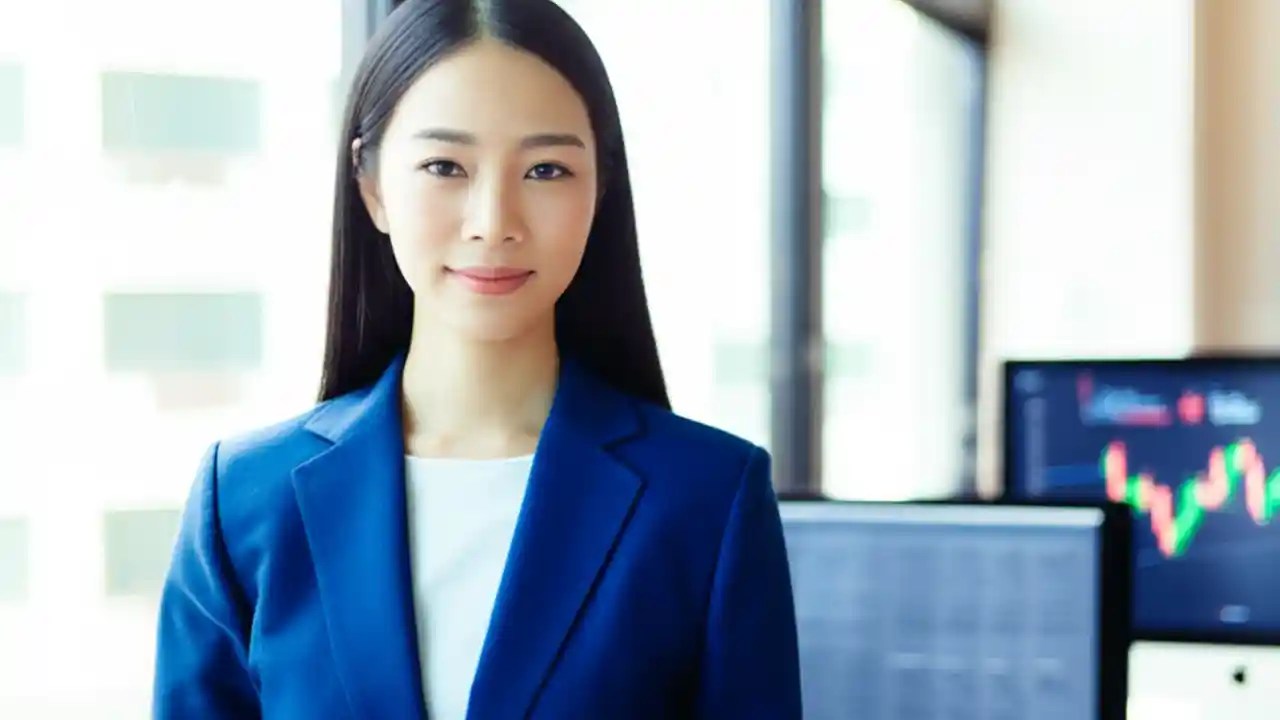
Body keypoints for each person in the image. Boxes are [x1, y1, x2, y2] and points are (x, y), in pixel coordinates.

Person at [152, 0, 802, 717]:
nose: (494, 223)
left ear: (601, 189)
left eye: (547, 169)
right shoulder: (243, 499)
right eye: (444, 166)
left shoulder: (709, 499)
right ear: (372, 187)